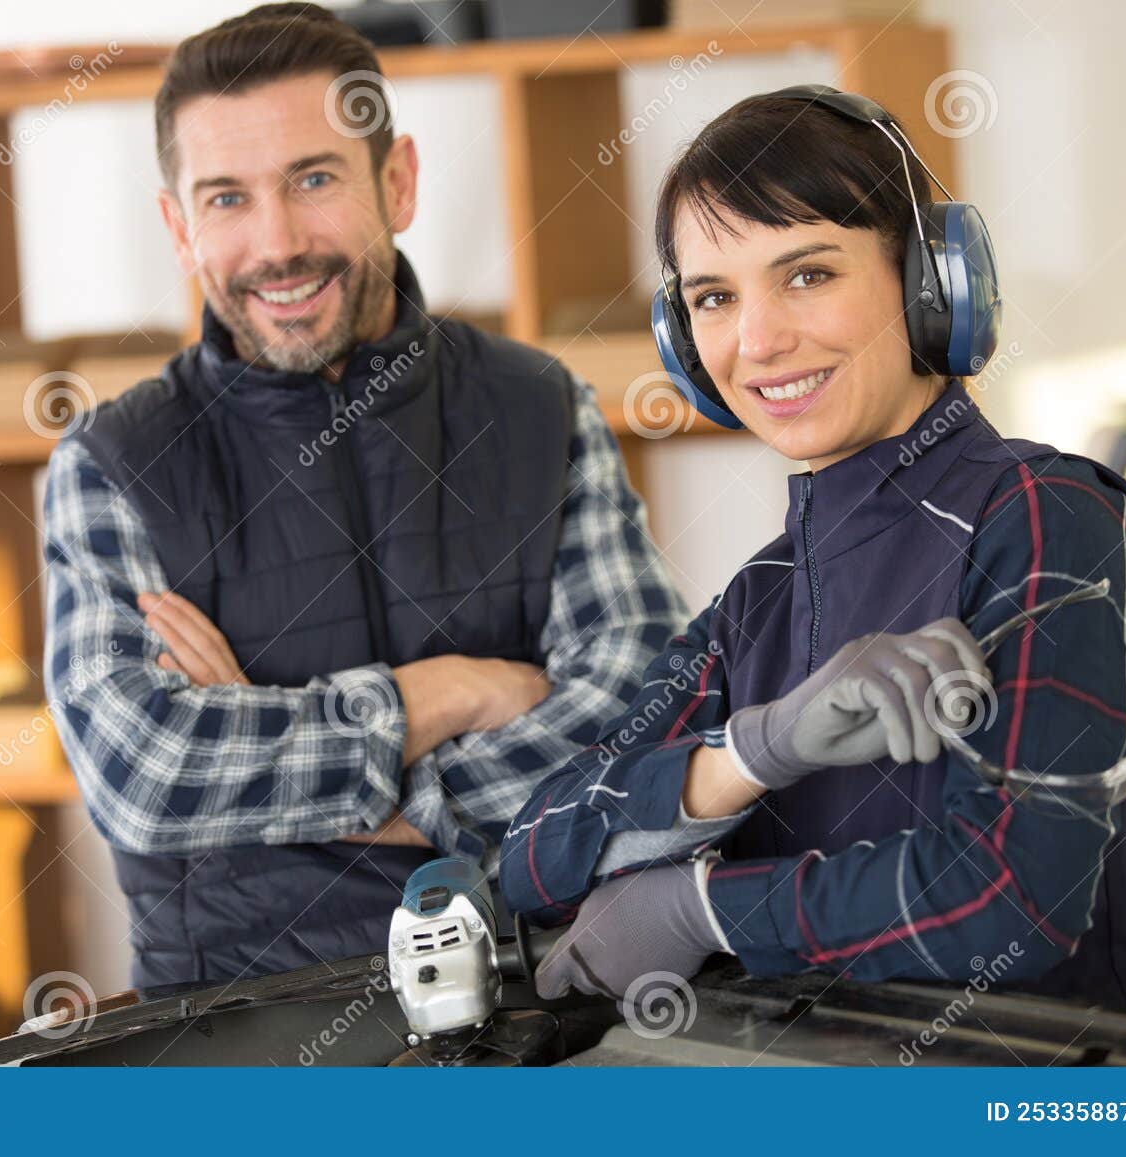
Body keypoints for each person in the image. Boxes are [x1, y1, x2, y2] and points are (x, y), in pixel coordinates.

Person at [500, 87, 1126, 1015]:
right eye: (714, 296)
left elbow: (1011, 900)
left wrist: (697, 908)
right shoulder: (765, 595)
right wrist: (758, 748)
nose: (758, 341)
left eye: (808, 275)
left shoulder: (1047, 514)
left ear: (927, 283)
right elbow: (532, 854)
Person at [41, 3, 686, 988]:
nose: (277, 242)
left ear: (397, 181)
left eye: (313, 178)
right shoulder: (108, 462)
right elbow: (149, 774)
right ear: (178, 227)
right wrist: (448, 692)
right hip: (237, 1032)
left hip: (538, 994)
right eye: (226, 199)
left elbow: (642, 716)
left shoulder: (541, 407)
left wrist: (348, 782)